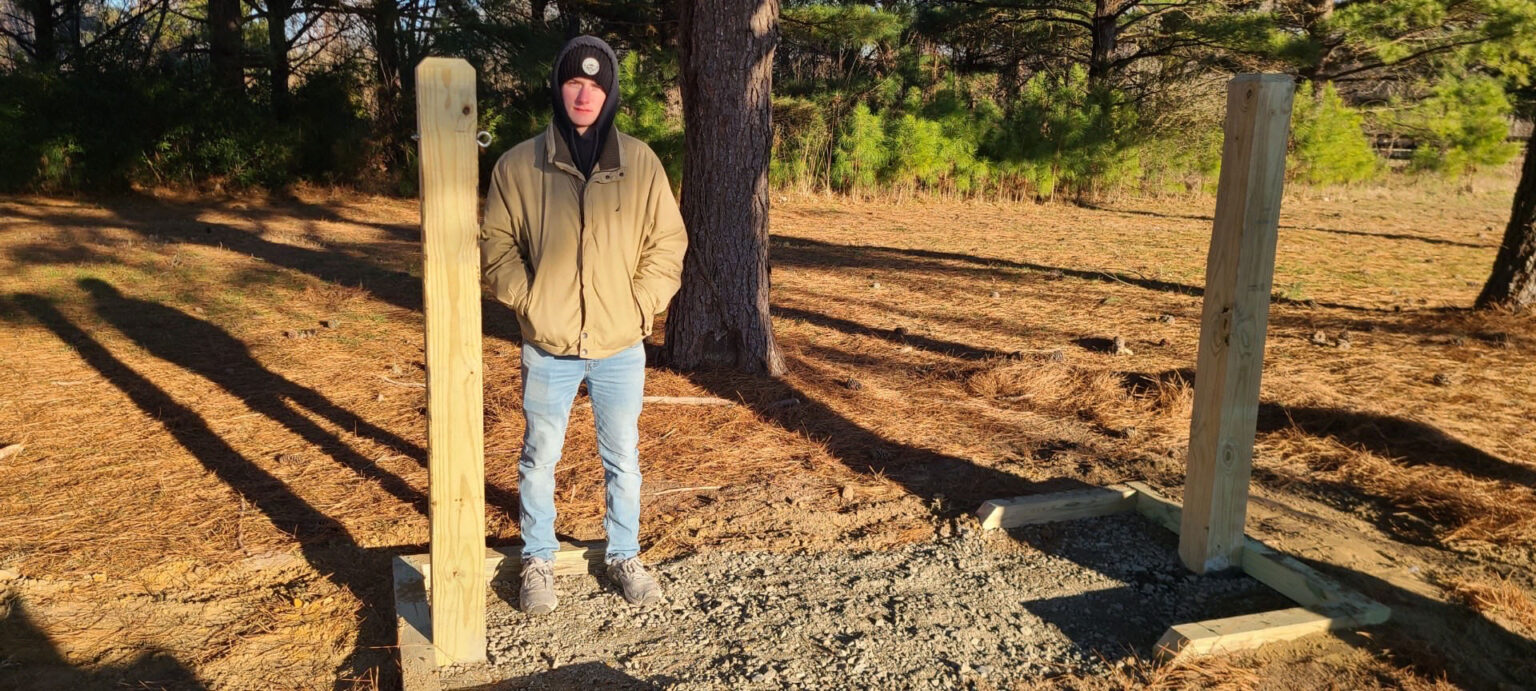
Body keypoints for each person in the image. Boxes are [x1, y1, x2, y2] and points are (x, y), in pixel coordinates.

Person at [479, 35, 687, 615]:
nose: (584, 93)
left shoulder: (640, 163)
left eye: (596, 84)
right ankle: (538, 558)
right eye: (574, 81)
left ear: (610, 93)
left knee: (623, 457)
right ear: (557, 87)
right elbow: (497, 248)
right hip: (549, 344)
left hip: (620, 343)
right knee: (539, 456)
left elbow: (667, 244)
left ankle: (624, 554)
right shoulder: (518, 165)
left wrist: (640, 306)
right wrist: (531, 303)